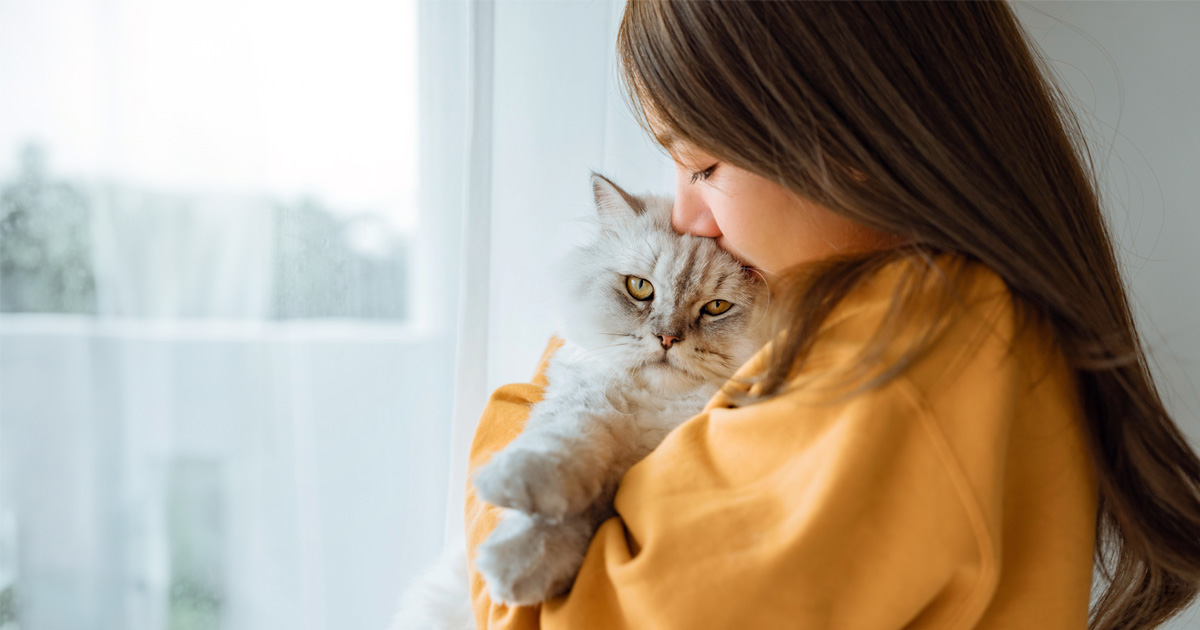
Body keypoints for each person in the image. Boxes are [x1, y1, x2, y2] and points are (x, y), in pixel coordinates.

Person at [463, 2, 1200, 629]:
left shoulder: (909, 340)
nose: (689, 218)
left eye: (703, 167)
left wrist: (519, 415)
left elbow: (554, 613)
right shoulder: (959, 320)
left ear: (843, 141)